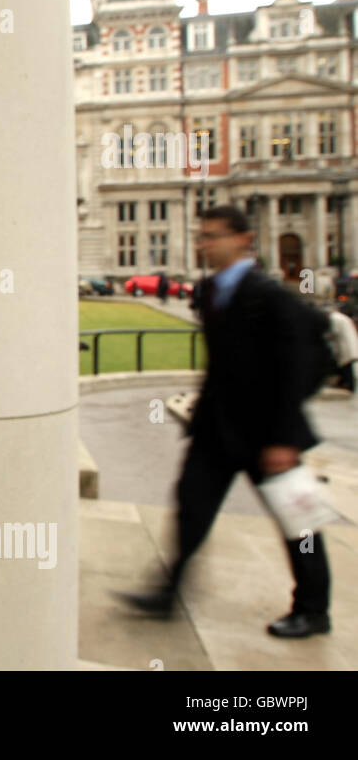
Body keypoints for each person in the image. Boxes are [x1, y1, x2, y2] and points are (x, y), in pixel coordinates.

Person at [115, 206, 331, 638]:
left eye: (212, 236)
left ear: (242, 240)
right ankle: (165, 592)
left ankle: (312, 609)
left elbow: (306, 358)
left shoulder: (269, 294)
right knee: (191, 509)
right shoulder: (211, 289)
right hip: (217, 431)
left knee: (297, 523)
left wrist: (285, 436)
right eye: (202, 236)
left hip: (269, 437)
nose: (203, 244)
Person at [326, 305, 358, 393]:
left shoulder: (334, 318)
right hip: (349, 345)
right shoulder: (340, 317)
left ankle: (349, 386)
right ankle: (342, 383)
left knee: (346, 367)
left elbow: (333, 331)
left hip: (346, 347)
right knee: (344, 367)